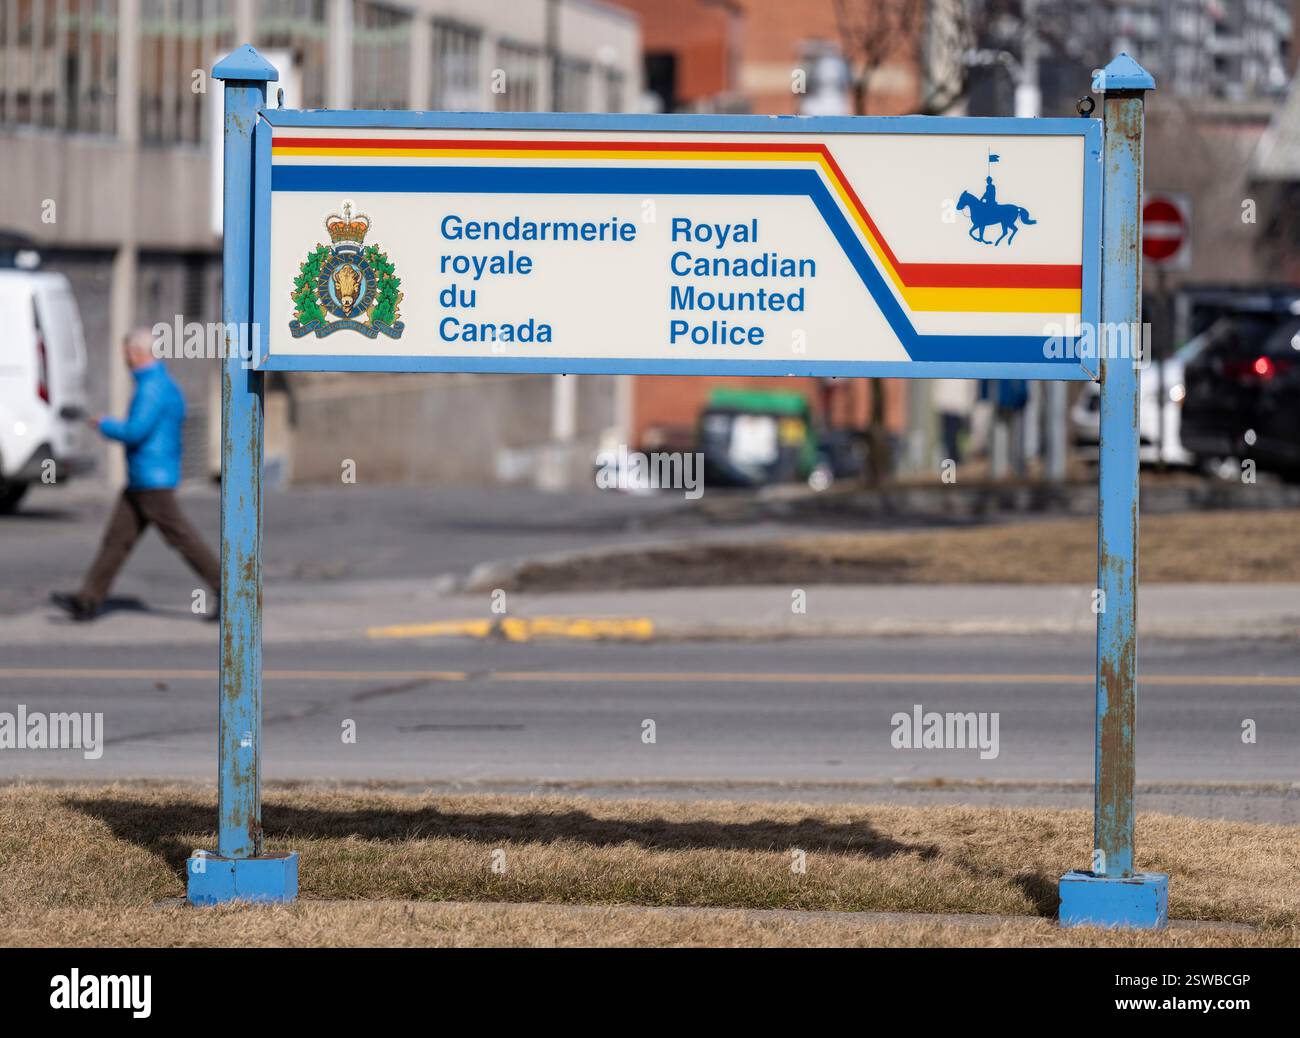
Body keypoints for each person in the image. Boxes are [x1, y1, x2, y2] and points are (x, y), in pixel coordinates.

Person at [52, 328, 220, 622]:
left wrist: (104, 424)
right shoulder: (165, 384)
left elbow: (135, 431)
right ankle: (88, 599)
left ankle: (229, 590)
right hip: (146, 477)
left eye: (127, 352)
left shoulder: (151, 388)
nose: (126, 358)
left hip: (152, 480)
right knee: (117, 540)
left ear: (138, 353)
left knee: (182, 537)